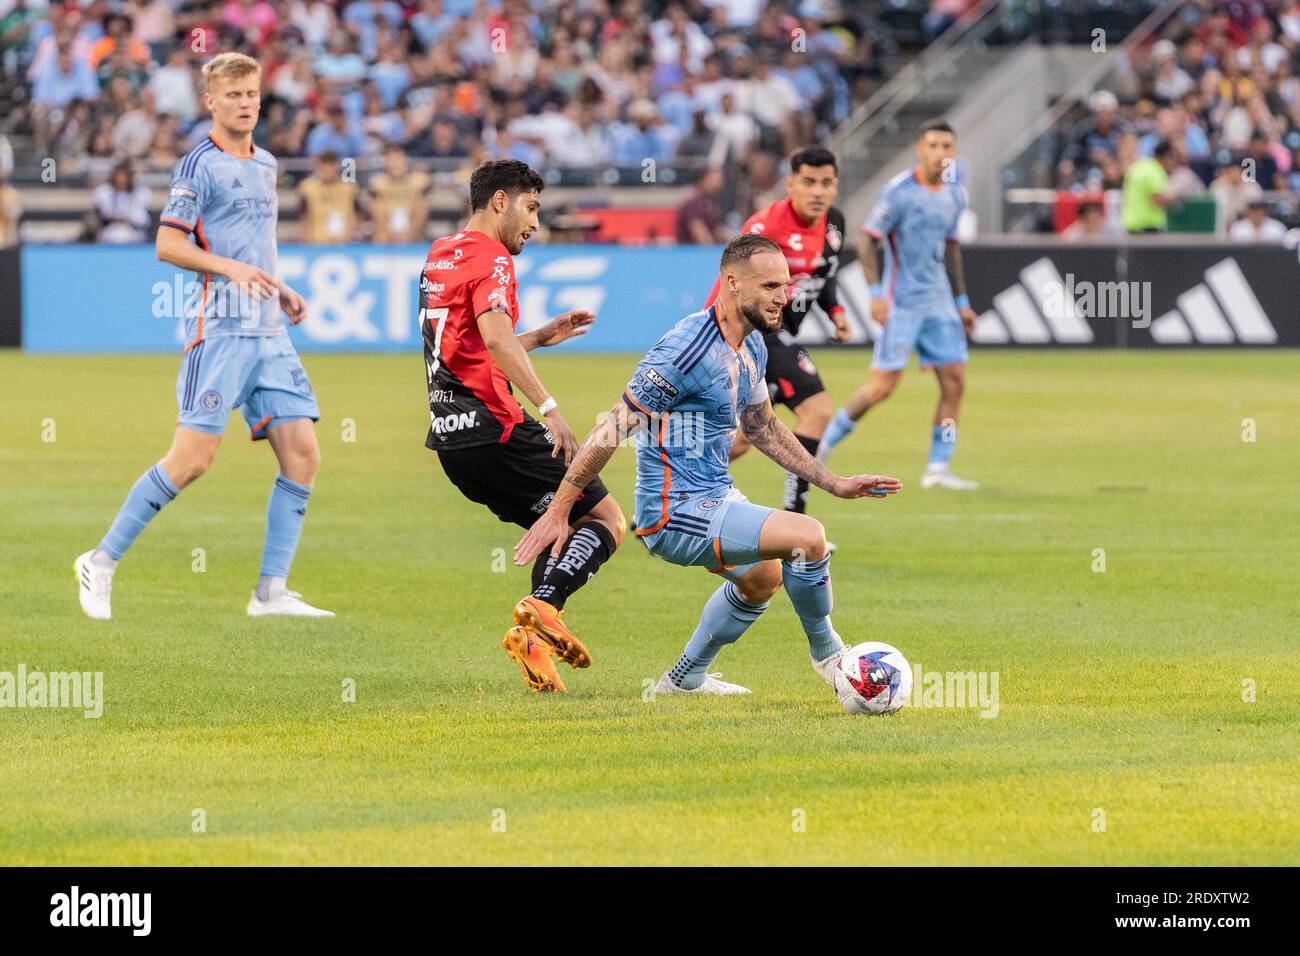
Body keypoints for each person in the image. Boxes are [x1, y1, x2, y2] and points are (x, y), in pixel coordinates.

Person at [515, 233, 900, 696]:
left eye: (785, 285)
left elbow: (763, 428)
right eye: (771, 287)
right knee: (808, 538)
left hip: (715, 497)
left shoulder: (752, 345)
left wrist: (835, 483)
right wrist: (560, 510)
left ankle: (683, 681)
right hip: (671, 512)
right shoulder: (685, 350)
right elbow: (610, 431)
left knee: (763, 578)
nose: (784, 297)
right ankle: (831, 657)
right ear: (733, 284)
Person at [76, 52, 330, 620]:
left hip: (269, 333)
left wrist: (278, 286)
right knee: (191, 461)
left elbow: (251, 244)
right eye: (232, 95)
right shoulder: (197, 165)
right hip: (220, 331)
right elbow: (168, 244)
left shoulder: (266, 162)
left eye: (251, 94)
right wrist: (233, 271)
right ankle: (101, 559)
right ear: (210, 101)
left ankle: (270, 592)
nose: (244, 103)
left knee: (303, 455)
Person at [422, 159, 626, 694]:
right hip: (500, 431)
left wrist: (534, 337)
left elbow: (463, 347)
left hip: (454, 444)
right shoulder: (493, 258)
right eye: (530, 208)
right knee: (606, 519)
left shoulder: (440, 253)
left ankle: (532, 639)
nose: (535, 223)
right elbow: (492, 338)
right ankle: (541, 607)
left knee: (565, 524)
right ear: (499, 202)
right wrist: (551, 407)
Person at [818, 120, 979, 491]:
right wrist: (875, 293)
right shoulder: (900, 192)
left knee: (954, 386)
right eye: (934, 145)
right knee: (881, 388)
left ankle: (939, 467)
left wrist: (962, 302)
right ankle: (823, 444)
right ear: (919, 150)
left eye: (947, 146)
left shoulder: (956, 195)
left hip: (939, 302)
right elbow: (866, 239)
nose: (941, 153)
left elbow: (951, 248)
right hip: (903, 303)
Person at [706, 145, 851, 518]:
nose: (818, 191)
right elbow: (729, 282)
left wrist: (835, 312)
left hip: (779, 335)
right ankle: (796, 516)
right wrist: (712, 331)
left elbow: (823, 275)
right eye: (809, 182)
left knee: (742, 438)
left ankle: (667, 499)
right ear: (790, 184)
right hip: (758, 333)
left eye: (826, 183)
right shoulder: (764, 226)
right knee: (816, 411)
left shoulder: (835, 223)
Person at [297, 150, 359, 243]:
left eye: (331, 165)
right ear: (319, 166)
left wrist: (353, 233)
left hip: (343, 242)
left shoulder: (348, 188)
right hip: (317, 242)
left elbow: (357, 214)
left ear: (337, 166)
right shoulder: (308, 187)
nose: (328, 169)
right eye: (325, 165)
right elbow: (303, 216)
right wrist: (304, 239)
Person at [1121, 137, 1178, 234]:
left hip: (1132, 227)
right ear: (1165, 157)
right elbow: (1158, 199)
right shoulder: (1154, 171)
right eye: (1172, 158)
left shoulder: (1139, 166)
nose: (1173, 163)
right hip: (1147, 228)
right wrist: (1175, 198)